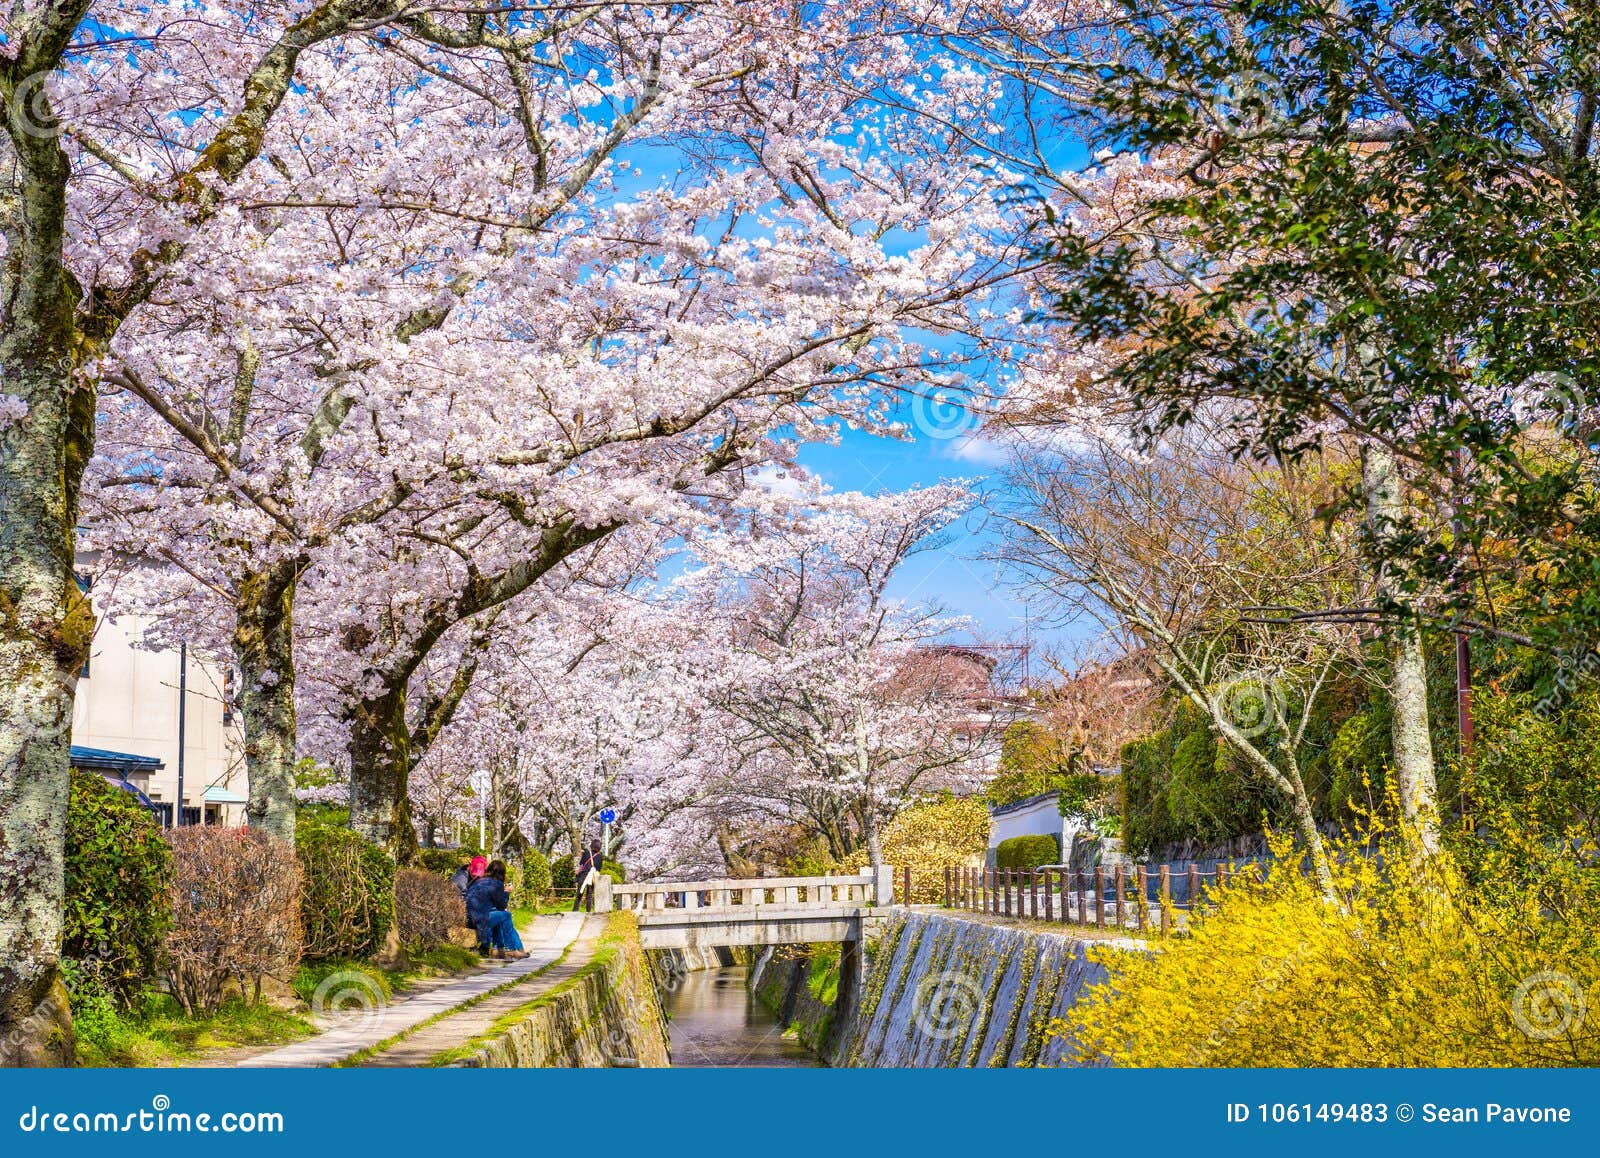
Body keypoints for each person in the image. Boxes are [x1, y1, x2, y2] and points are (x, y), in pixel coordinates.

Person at [465, 860, 527, 959]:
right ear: (502, 873)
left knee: (498, 916)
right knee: (506, 916)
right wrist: (506, 892)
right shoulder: (497, 884)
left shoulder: (478, 880)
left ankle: (498, 950)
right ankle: (510, 949)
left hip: (468, 917)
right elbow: (501, 906)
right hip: (478, 919)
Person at [571, 839, 605, 913]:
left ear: (592, 845)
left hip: (584, 875)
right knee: (589, 894)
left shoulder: (587, 852)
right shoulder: (600, 856)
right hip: (592, 876)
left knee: (580, 892)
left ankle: (575, 910)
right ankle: (588, 911)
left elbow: (581, 863)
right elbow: (599, 868)